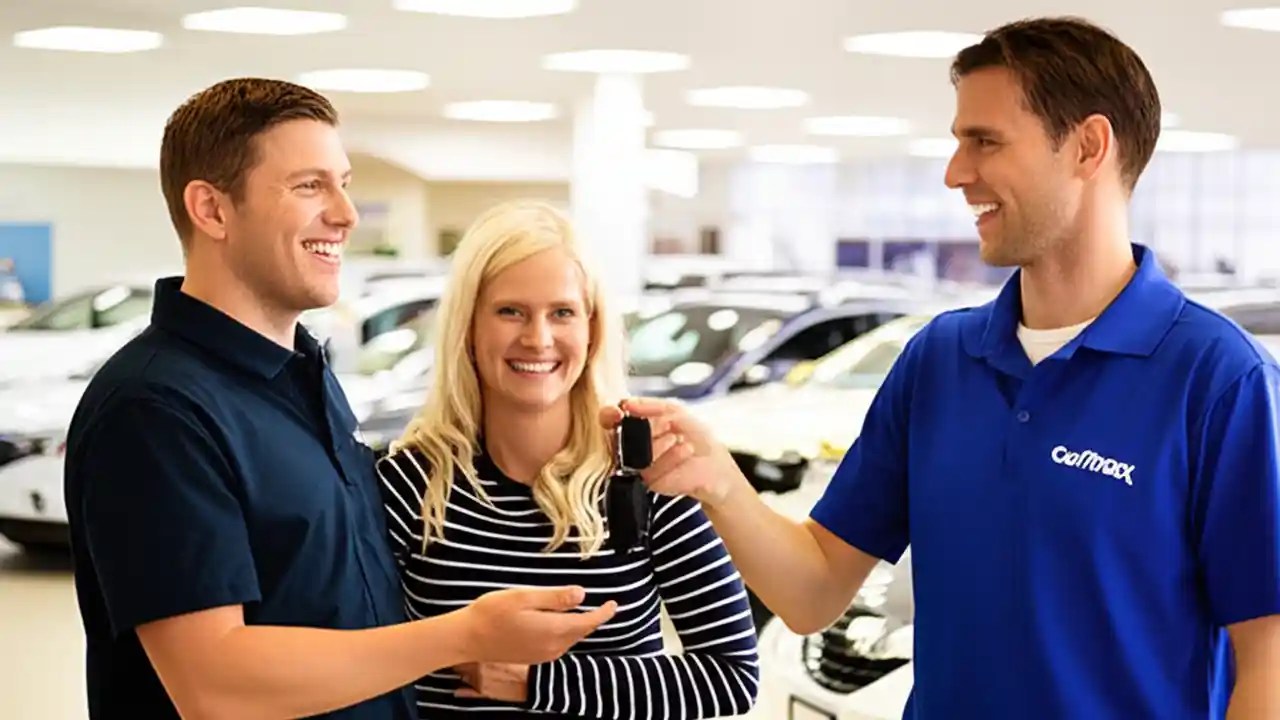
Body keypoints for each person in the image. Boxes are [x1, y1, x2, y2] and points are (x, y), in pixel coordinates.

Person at [607, 17, 1280, 720]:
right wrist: (717, 479)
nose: (956, 174)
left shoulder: (1216, 378)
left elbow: (1268, 663)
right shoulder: (939, 360)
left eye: (984, 142)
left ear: (1088, 145)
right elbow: (813, 593)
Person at [62, 79, 614, 720]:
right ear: (211, 210)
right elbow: (214, 684)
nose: (347, 215)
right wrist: (461, 635)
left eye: (344, 182)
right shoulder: (157, 410)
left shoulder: (301, 377)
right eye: (309, 186)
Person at [376, 200, 760, 718]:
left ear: (592, 328)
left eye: (562, 312)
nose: (538, 338)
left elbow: (730, 677)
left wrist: (537, 682)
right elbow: (360, 662)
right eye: (510, 311)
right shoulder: (406, 485)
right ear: (468, 326)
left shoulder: (647, 476)